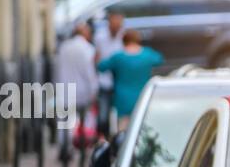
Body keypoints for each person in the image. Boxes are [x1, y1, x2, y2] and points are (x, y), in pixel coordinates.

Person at [96, 30, 163, 131]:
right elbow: (159, 59)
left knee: (123, 131)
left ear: (123, 41)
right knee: (141, 129)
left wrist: (97, 57)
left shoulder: (118, 57)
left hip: (123, 99)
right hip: (143, 96)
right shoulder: (147, 54)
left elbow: (101, 67)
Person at [54, 23, 99, 154]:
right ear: (85, 33)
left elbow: (58, 68)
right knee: (83, 119)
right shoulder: (88, 49)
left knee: (64, 121)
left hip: (64, 88)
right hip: (82, 90)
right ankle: (81, 145)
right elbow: (89, 72)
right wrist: (94, 89)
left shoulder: (64, 47)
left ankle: (64, 147)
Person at [93, 10, 125, 137]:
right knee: (103, 117)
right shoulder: (100, 37)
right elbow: (97, 59)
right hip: (104, 81)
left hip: (119, 82)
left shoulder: (123, 37)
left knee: (120, 118)